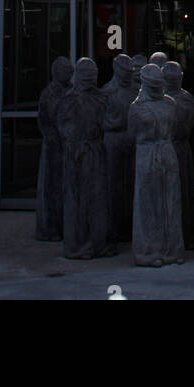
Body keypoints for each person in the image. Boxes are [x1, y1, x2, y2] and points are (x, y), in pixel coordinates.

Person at [57, 57, 115, 259]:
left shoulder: (101, 98)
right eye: (87, 76)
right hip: (77, 153)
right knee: (77, 199)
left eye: (94, 76)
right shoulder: (69, 99)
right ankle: (78, 244)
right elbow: (62, 127)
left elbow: (106, 121)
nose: (91, 80)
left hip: (96, 151)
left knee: (98, 198)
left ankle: (99, 243)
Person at [128, 63, 184, 267]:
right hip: (146, 154)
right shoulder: (137, 107)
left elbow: (175, 128)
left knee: (171, 201)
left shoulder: (170, 103)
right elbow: (132, 132)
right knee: (148, 203)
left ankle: (172, 249)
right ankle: (149, 251)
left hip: (167, 153)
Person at [35, 56, 73, 241]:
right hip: (54, 147)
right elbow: (44, 120)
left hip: (68, 146)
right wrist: (54, 138)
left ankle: (66, 224)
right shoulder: (49, 94)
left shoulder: (72, 92)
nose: (69, 73)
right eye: (66, 70)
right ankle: (50, 226)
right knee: (52, 186)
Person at [101, 54, 137, 243]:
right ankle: (112, 226)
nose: (127, 75)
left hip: (131, 140)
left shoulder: (136, 91)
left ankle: (130, 224)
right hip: (113, 140)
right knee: (112, 182)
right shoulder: (107, 92)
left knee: (130, 182)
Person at [163, 60, 194, 250]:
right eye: (170, 77)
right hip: (164, 148)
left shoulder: (185, 98)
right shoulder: (156, 99)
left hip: (179, 148)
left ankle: (187, 235)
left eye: (176, 77)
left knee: (182, 193)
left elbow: (187, 123)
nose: (173, 80)